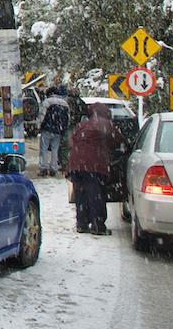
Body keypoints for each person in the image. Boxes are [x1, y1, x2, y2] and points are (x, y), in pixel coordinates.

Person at [67, 102, 126, 235]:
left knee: (80, 194)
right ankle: (97, 225)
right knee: (96, 195)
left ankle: (81, 223)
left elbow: (71, 141)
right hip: (94, 165)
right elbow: (119, 140)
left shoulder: (81, 125)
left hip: (76, 164)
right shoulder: (105, 125)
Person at [37, 86, 70, 176]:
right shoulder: (65, 104)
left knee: (44, 149)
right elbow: (67, 118)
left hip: (47, 129)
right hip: (58, 131)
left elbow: (42, 115)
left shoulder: (47, 102)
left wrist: (38, 126)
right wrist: (63, 129)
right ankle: (53, 168)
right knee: (55, 149)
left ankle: (43, 168)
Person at [58, 86, 88, 171]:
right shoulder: (82, 102)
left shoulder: (66, 101)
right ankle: (78, 162)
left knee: (66, 146)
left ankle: (66, 164)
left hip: (68, 126)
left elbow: (62, 114)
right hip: (79, 126)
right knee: (78, 145)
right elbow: (85, 113)